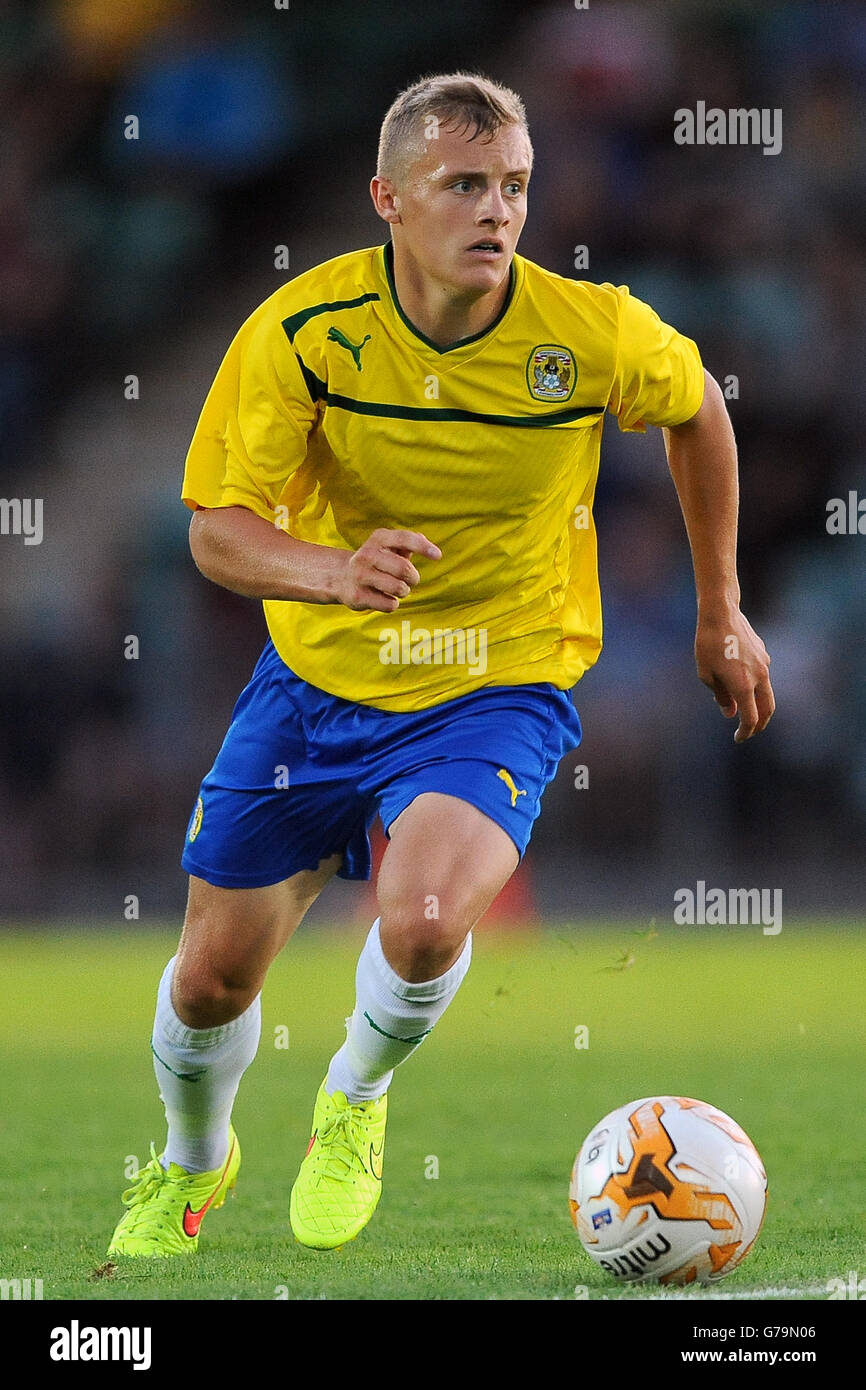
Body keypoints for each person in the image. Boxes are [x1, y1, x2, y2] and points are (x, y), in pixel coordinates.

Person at [107, 71, 775, 1258]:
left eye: (513, 185)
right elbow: (216, 526)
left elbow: (698, 413)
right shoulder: (305, 332)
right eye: (463, 184)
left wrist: (719, 612)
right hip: (316, 689)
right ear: (387, 198)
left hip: (496, 683)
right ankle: (192, 1161)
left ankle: (353, 1100)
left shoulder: (588, 331)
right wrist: (330, 571)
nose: (496, 211)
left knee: (418, 920)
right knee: (209, 979)